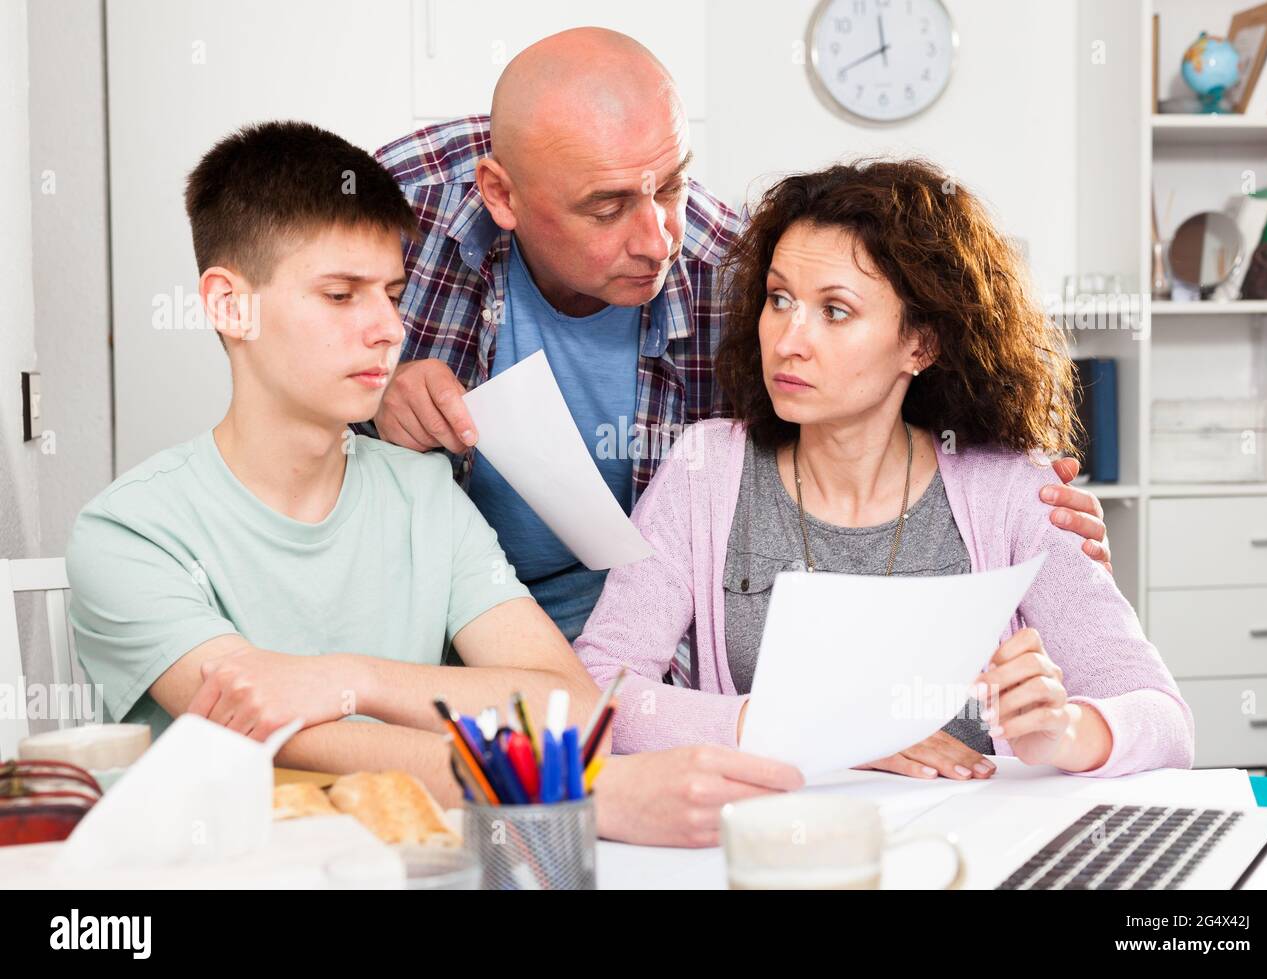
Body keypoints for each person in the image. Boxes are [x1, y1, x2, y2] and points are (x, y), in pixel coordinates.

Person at [363, 27, 1113, 642]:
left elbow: (877, 410)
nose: (658, 240)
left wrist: (1026, 521)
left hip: (631, 632)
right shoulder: (396, 207)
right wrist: (372, 395)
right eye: (607, 208)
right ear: (502, 194)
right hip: (419, 616)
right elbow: (270, 383)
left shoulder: (739, 276)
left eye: (672, 184)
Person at [576, 160, 1195, 784]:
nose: (789, 339)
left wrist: (1064, 731)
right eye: (779, 299)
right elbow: (597, 692)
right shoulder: (705, 470)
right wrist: (789, 729)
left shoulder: (1015, 490)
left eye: (835, 311)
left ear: (920, 345)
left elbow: (1166, 721)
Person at [65, 121, 599, 808]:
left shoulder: (424, 492)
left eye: (394, 294)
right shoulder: (129, 533)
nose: (389, 328)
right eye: (342, 295)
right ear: (231, 305)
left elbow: (574, 709)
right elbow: (275, 731)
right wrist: (524, 766)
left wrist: (352, 679)